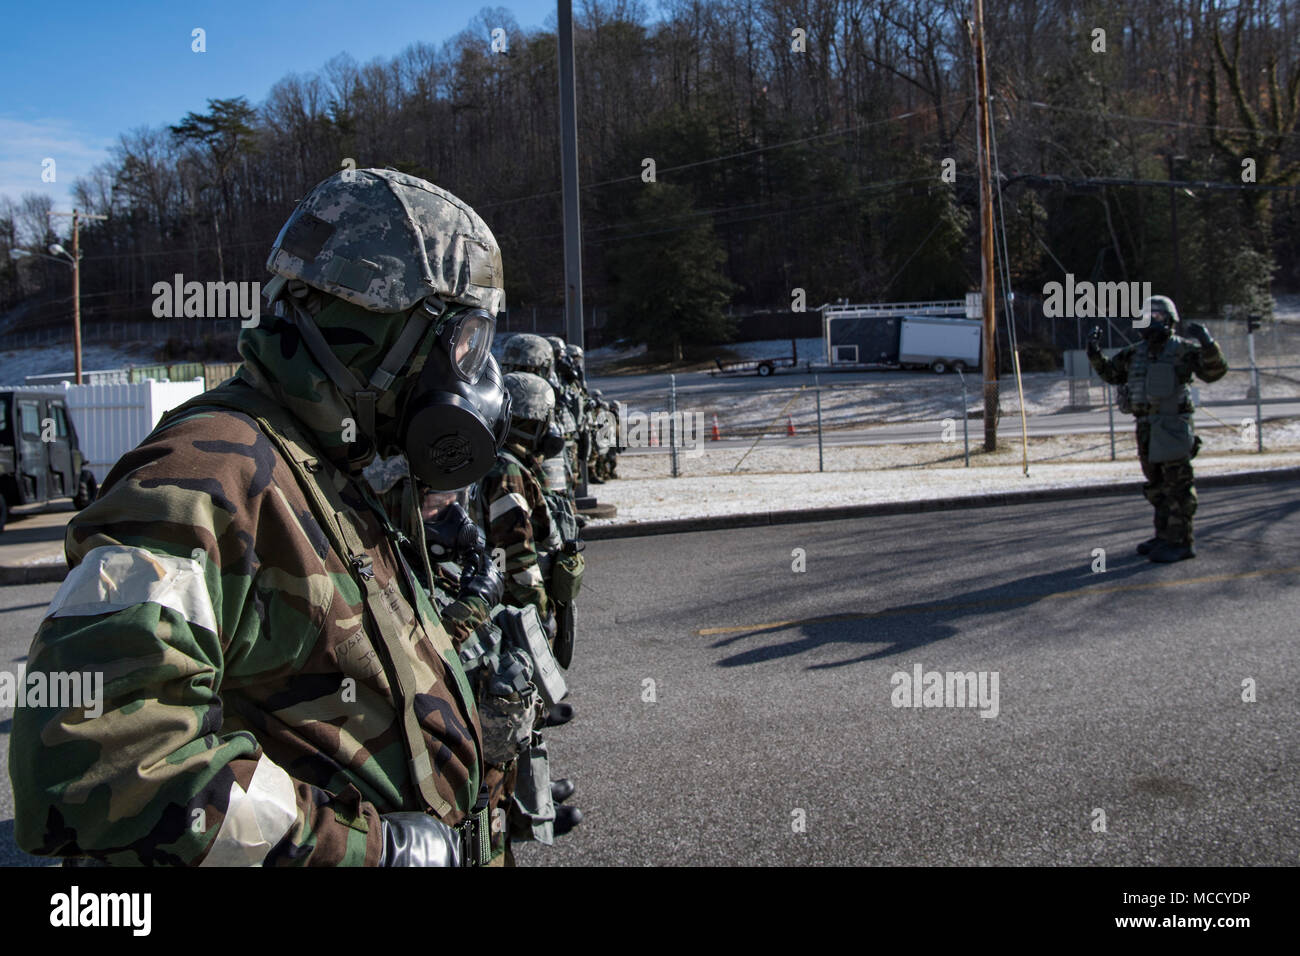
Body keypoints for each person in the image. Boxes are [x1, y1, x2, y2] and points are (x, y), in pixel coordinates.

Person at [9, 168, 513, 866]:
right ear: (377, 328)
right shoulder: (206, 473)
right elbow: (102, 757)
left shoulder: (325, 465)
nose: (466, 372)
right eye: (464, 341)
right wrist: (365, 853)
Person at [468, 371, 585, 845]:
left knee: (525, 713)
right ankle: (522, 813)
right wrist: (539, 617)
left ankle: (533, 795)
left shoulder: (511, 463)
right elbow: (515, 552)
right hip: (511, 617)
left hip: (508, 611)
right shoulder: (507, 470)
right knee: (511, 713)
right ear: (532, 422)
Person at [1087, 295, 1228, 562]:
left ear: (1169, 320)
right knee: (1157, 486)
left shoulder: (1181, 350)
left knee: (1178, 487)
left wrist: (1208, 344)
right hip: (1147, 429)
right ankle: (1164, 536)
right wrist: (1094, 353)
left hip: (1172, 427)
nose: (1149, 321)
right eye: (1145, 315)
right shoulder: (1136, 352)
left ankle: (1182, 542)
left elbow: (1214, 372)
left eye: (1155, 316)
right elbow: (1112, 374)